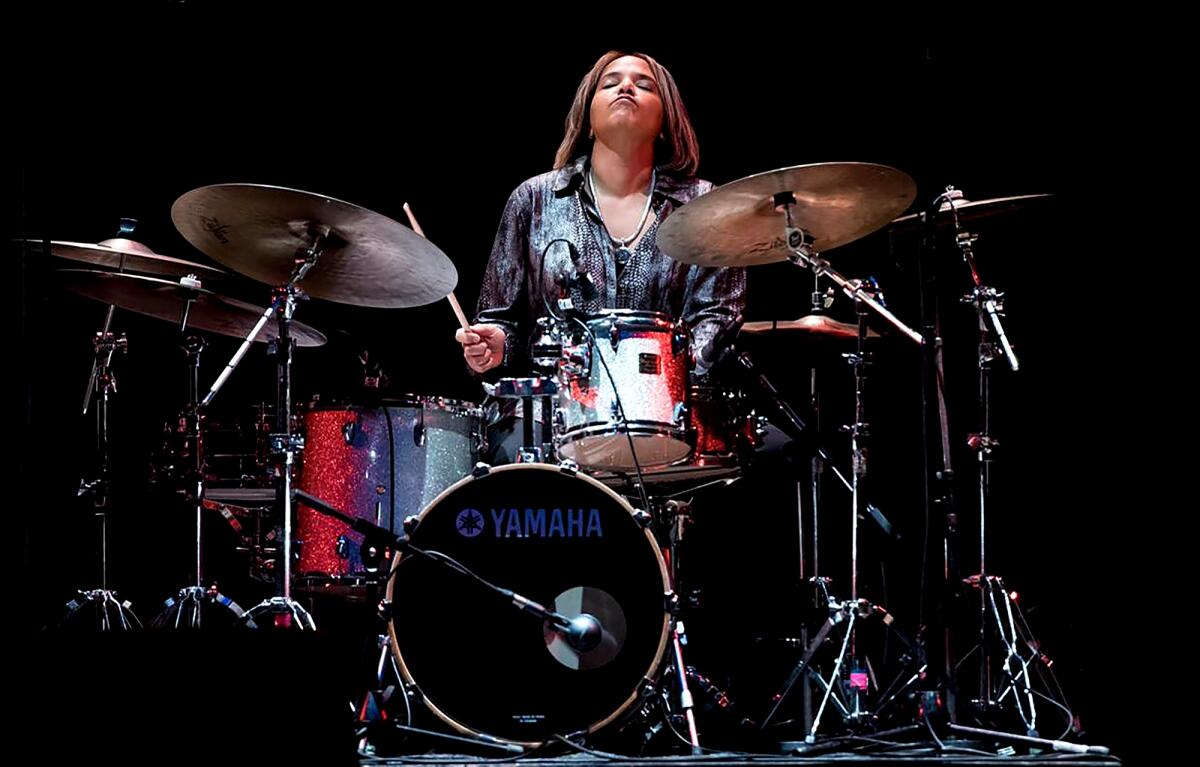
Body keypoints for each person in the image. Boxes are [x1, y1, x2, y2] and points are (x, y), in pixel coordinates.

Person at [454, 51, 745, 462]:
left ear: (665, 122)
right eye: (610, 83)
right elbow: (500, 320)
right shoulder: (533, 201)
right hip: (547, 418)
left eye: (644, 85)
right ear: (588, 120)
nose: (626, 87)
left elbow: (717, 316)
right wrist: (495, 344)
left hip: (667, 416)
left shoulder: (705, 205)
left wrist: (657, 383)